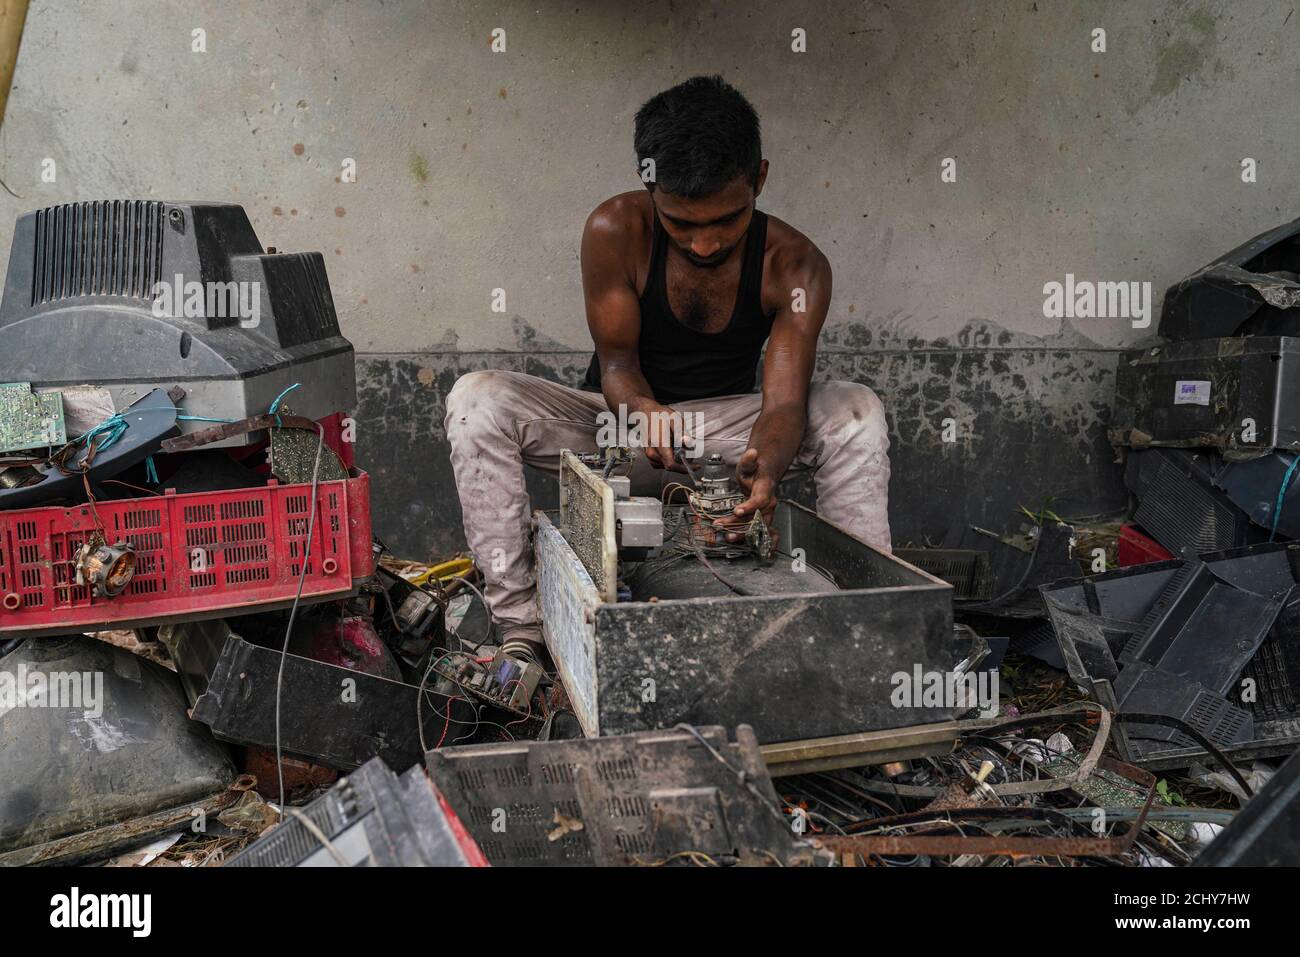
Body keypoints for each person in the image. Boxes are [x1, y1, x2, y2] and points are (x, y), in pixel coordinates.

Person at [445, 75, 891, 667]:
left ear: (759, 178)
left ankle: (873, 628)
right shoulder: (614, 231)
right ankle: (520, 631)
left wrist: (767, 470)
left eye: (726, 222)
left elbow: (783, 404)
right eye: (682, 225)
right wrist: (642, 412)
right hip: (618, 433)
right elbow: (618, 365)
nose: (704, 245)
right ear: (648, 183)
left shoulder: (797, 266)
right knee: (477, 401)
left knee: (855, 411)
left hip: (725, 440)